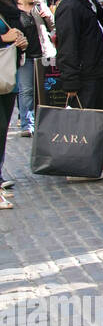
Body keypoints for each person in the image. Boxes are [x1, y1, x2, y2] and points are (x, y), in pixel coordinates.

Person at [54, 0, 103, 180]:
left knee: (93, 120)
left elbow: (102, 19)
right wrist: (70, 81)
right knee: (84, 123)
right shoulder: (70, 6)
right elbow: (67, 47)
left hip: (93, 71)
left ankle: (92, 163)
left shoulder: (85, 0)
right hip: (84, 74)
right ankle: (81, 167)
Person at [13, 0, 55, 137]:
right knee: (26, 90)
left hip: (43, 53)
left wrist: (48, 16)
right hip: (25, 56)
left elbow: (53, 28)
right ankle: (27, 125)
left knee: (45, 89)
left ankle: (45, 121)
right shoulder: (14, 9)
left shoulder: (39, 5)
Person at [0, 14, 27, 206]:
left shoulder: (7, 5)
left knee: (2, 129)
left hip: (7, 75)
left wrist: (21, 44)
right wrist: (3, 38)